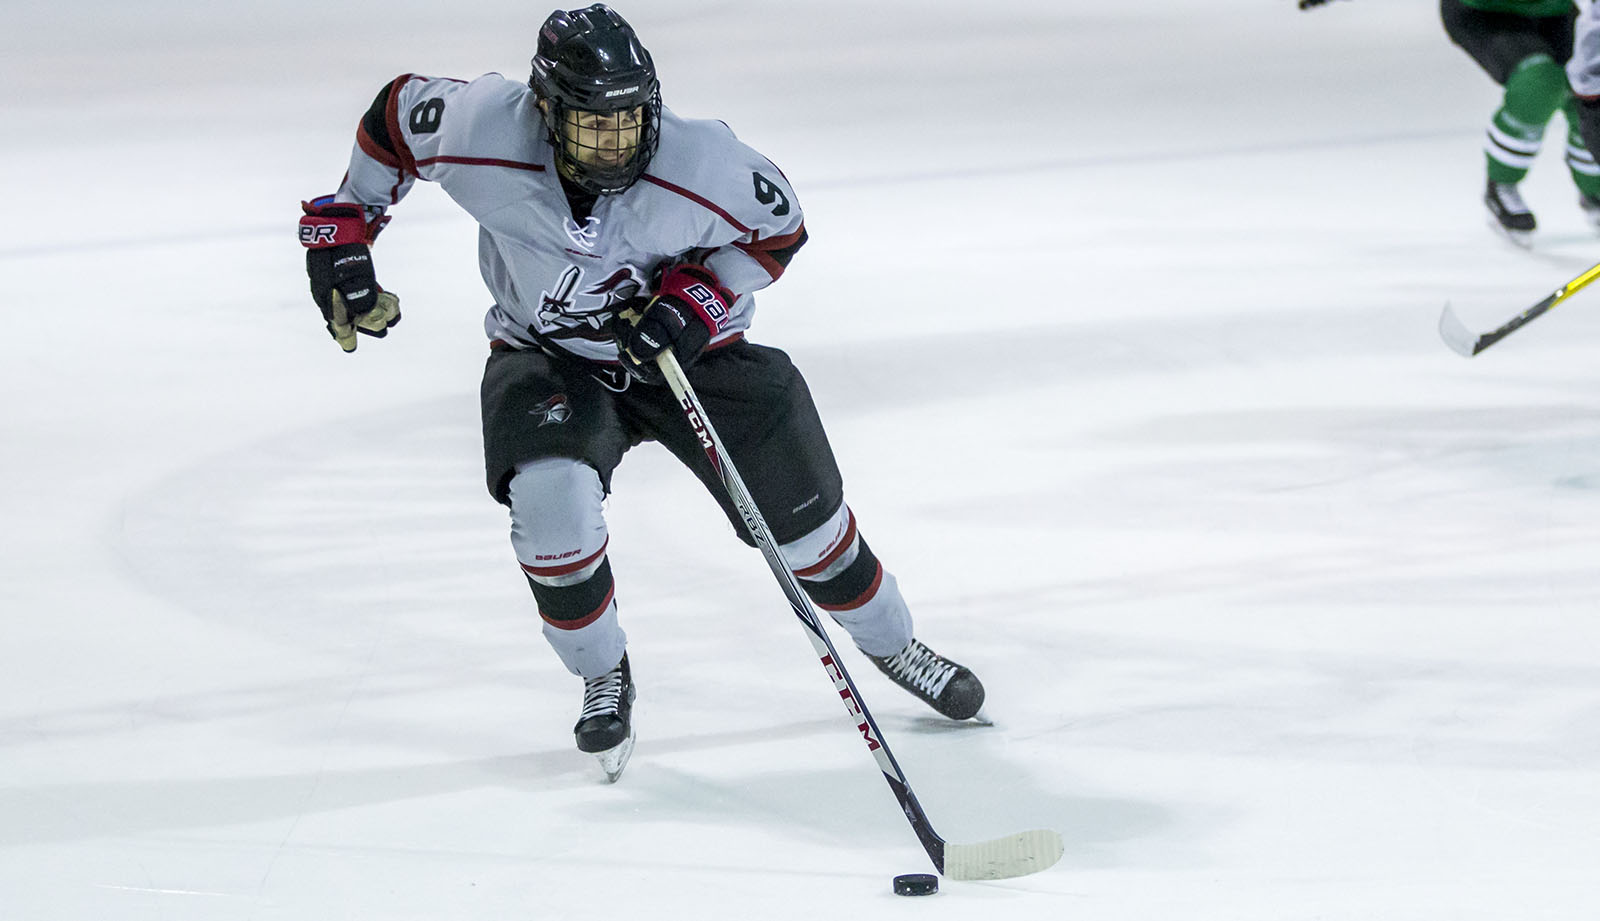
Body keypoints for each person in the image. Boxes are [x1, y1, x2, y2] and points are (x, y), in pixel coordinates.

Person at [296, 4, 985, 781]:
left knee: (807, 533)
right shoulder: (483, 127)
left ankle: (896, 643)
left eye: (630, 121)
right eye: (594, 126)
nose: (617, 143)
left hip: (692, 360)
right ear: (545, 111)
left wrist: (694, 302)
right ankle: (602, 672)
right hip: (547, 352)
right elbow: (394, 119)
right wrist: (348, 225)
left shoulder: (704, 163)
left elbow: (778, 230)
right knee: (551, 516)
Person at [1438, 0, 1600, 244]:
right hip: (1486, 13)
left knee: (1589, 94)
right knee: (1537, 84)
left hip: (1556, 13)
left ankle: (1594, 188)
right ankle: (1502, 183)